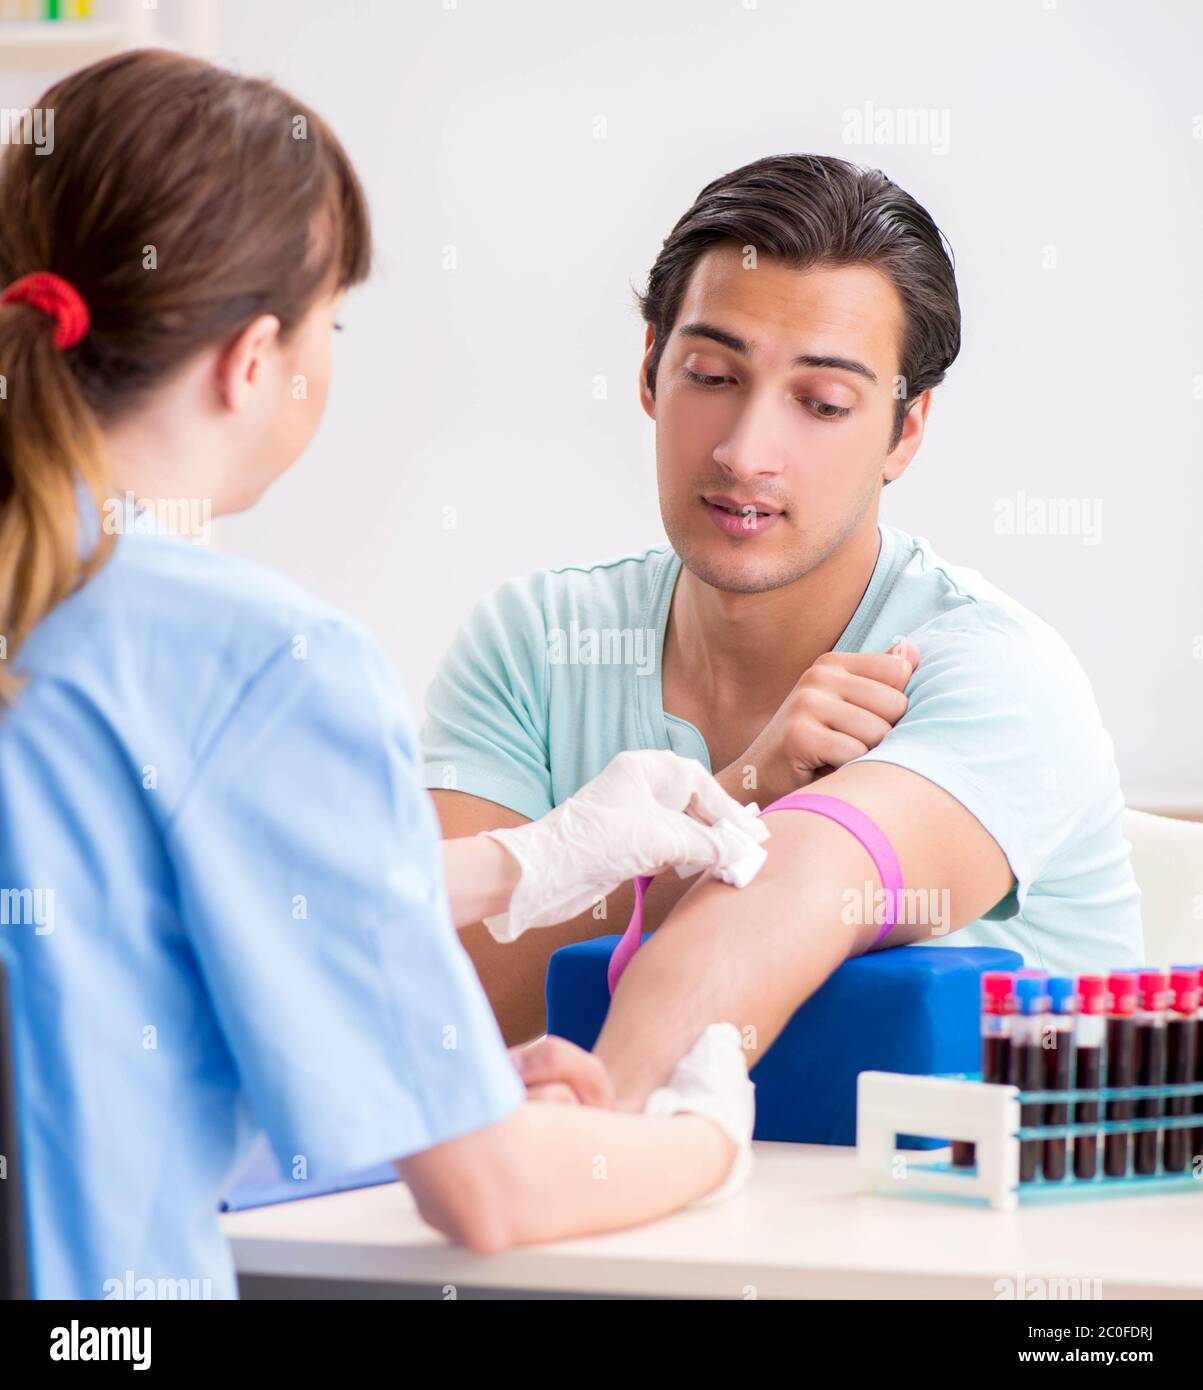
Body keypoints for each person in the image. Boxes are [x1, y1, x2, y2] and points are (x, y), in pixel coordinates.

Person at [0, 49, 761, 1301]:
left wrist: (522, 872)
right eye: (330, 324)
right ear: (256, 359)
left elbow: (92, 1007)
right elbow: (490, 1190)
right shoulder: (261, 661)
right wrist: (696, 1141)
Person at [421, 154, 1143, 1106]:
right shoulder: (533, 642)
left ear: (905, 429)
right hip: (625, 1228)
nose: (742, 451)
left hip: (937, 1236)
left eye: (822, 404)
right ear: (648, 369)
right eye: (712, 375)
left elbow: (801, 888)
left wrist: (590, 1137)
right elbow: (449, 1010)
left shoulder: (989, 673)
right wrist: (739, 791)